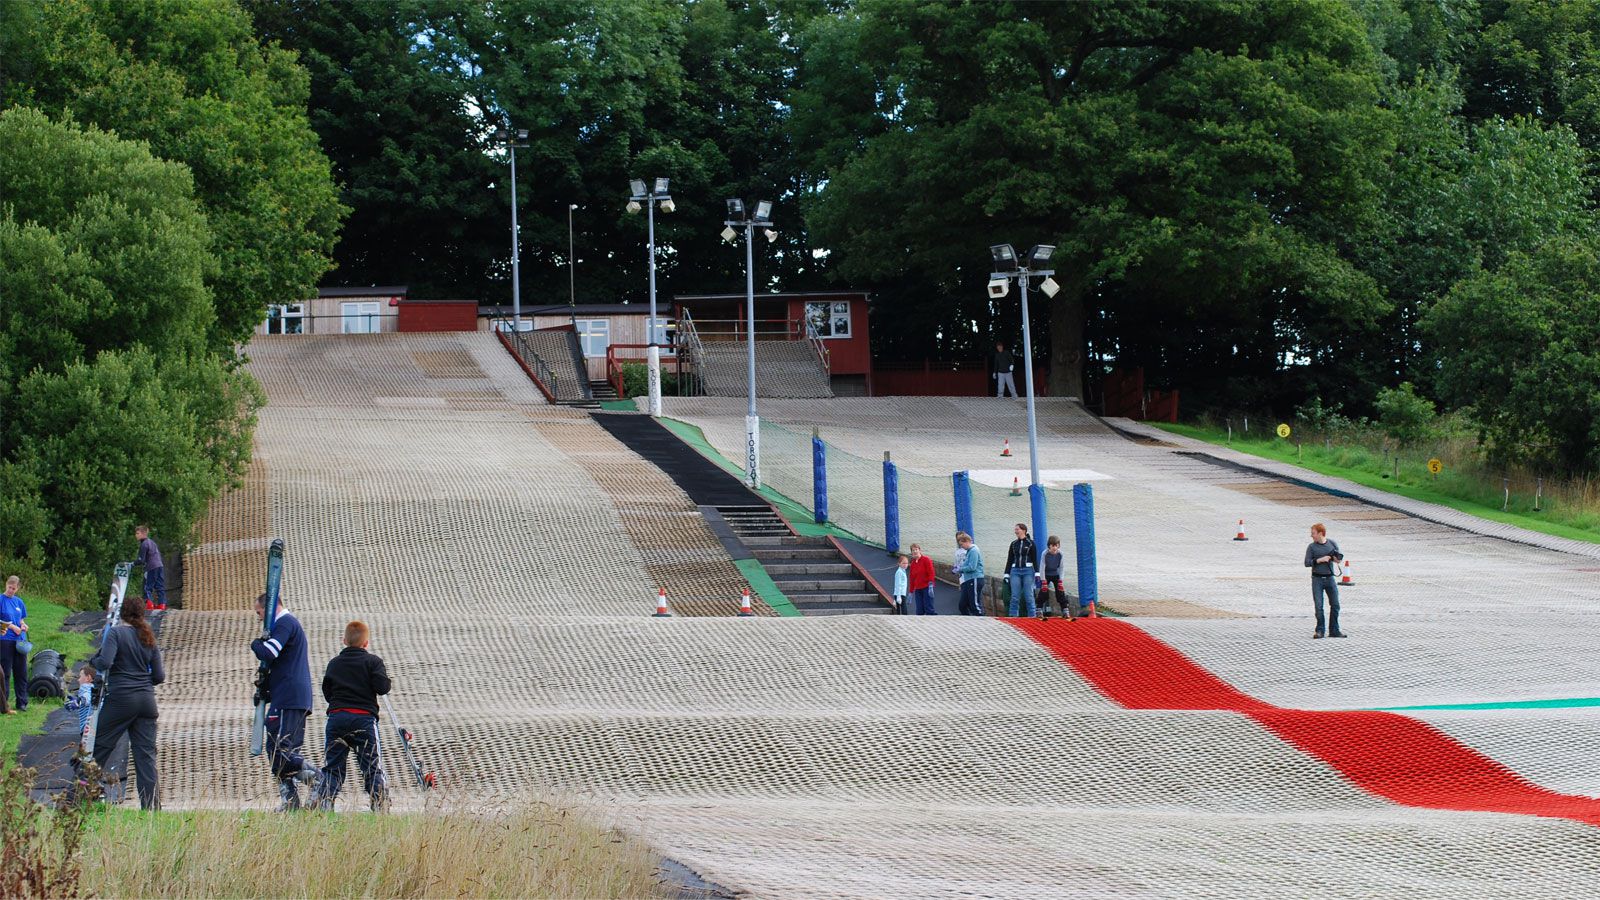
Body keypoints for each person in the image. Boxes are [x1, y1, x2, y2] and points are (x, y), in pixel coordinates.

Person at [307, 620, 391, 812]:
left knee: (333, 766)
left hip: (337, 719)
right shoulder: (373, 662)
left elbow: (327, 692)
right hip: (364, 720)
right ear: (366, 643)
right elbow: (382, 688)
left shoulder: (334, 664)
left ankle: (324, 803)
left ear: (344, 640)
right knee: (371, 766)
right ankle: (379, 806)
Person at [89, 597, 164, 809]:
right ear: (142, 614)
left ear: (122, 614)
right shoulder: (149, 637)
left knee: (97, 746)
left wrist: (93, 661)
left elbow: (105, 662)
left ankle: (77, 797)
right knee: (146, 757)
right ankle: (151, 809)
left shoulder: (116, 633)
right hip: (147, 702)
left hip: (121, 699)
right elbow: (159, 676)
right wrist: (141, 683)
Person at [250, 593, 319, 810]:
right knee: (276, 748)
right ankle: (290, 800)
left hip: (290, 697)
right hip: (287, 695)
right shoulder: (287, 625)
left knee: (281, 749)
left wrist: (256, 644)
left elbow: (270, 652)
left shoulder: (285, 623)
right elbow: (283, 663)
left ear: (270, 609)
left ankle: (319, 779)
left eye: (259, 613)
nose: (260, 619)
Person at [1304, 523, 1347, 639]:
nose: (1311, 536)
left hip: (1330, 578)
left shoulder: (1332, 543)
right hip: (1317, 579)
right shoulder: (1311, 547)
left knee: (1335, 604)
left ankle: (1334, 630)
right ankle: (1320, 630)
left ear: (1320, 533)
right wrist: (1319, 560)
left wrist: (1336, 559)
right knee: (1319, 606)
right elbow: (1307, 563)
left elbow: (1339, 558)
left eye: (1313, 533)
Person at [0, 576, 29, 714]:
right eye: (9, 587)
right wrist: (12, 627)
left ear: (18, 588)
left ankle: (22, 702)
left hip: (19, 641)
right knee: (5, 672)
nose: (11, 590)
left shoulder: (19, 602)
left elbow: (21, 618)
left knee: (21, 672)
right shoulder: (1, 600)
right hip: (5, 640)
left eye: (14, 588)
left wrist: (23, 625)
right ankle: (4, 703)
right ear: (6, 585)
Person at [1003, 523, 1038, 618]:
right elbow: (1009, 559)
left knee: (1029, 595)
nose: (1016, 531)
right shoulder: (1013, 544)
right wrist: (1006, 573)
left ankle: (1032, 616)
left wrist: (1037, 573)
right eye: (1015, 529)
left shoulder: (1031, 543)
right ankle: (1013, 616)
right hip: (1015, 571)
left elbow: (1035, 559)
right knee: (1015, 596)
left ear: (1023, 530)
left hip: (1028, 571)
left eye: (1017, 529)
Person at [135, 525, 166, 611]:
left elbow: (141, 560)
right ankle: (162, 604)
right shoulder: (152, 542)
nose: (136, 535)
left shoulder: (144, 544)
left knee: (147, 586)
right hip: (160, 565)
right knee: (160, 586)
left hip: (151, 567)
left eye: (137, 533)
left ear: (143, 534)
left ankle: (149, 605)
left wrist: (133, 564)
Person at [1040, 535, 1072, 620]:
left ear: (1058, 546)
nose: (1054, 548)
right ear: (1049, 546)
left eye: (1056, 546)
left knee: (1060, 592)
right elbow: (1042, 568)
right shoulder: (1045, 553)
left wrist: (1061, 580)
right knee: (1044, 591)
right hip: (1046, 574)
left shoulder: (1060, 554)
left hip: (1055, 573)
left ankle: (1065, 610)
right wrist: (1043, 581)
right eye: (1052, 546)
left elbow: (1061, 568)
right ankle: (1039, 609)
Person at [956, 532, 985, 616]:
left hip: (975, 578)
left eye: (962, 544)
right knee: (962, 605)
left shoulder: (974, 551)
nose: (962, 547)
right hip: (968, 579)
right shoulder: (968, 552)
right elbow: (966, 565)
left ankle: (981, 620)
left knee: (974, 604)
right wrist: (958, 568)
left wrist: (960, 569)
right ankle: (968, 621)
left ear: (967, 541)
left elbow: (972, 567)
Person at [907, 544, 937, 616]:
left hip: (926, 587)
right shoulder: (913, 564)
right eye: (913, 550)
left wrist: (930, 584)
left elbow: (931, 572)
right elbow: (912, 578)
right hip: (918, 589)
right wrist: (910, 592)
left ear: (919, 550)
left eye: (916, 549)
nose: (915, 551)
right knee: (919, 610)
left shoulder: (926, 560)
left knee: (929, 608)